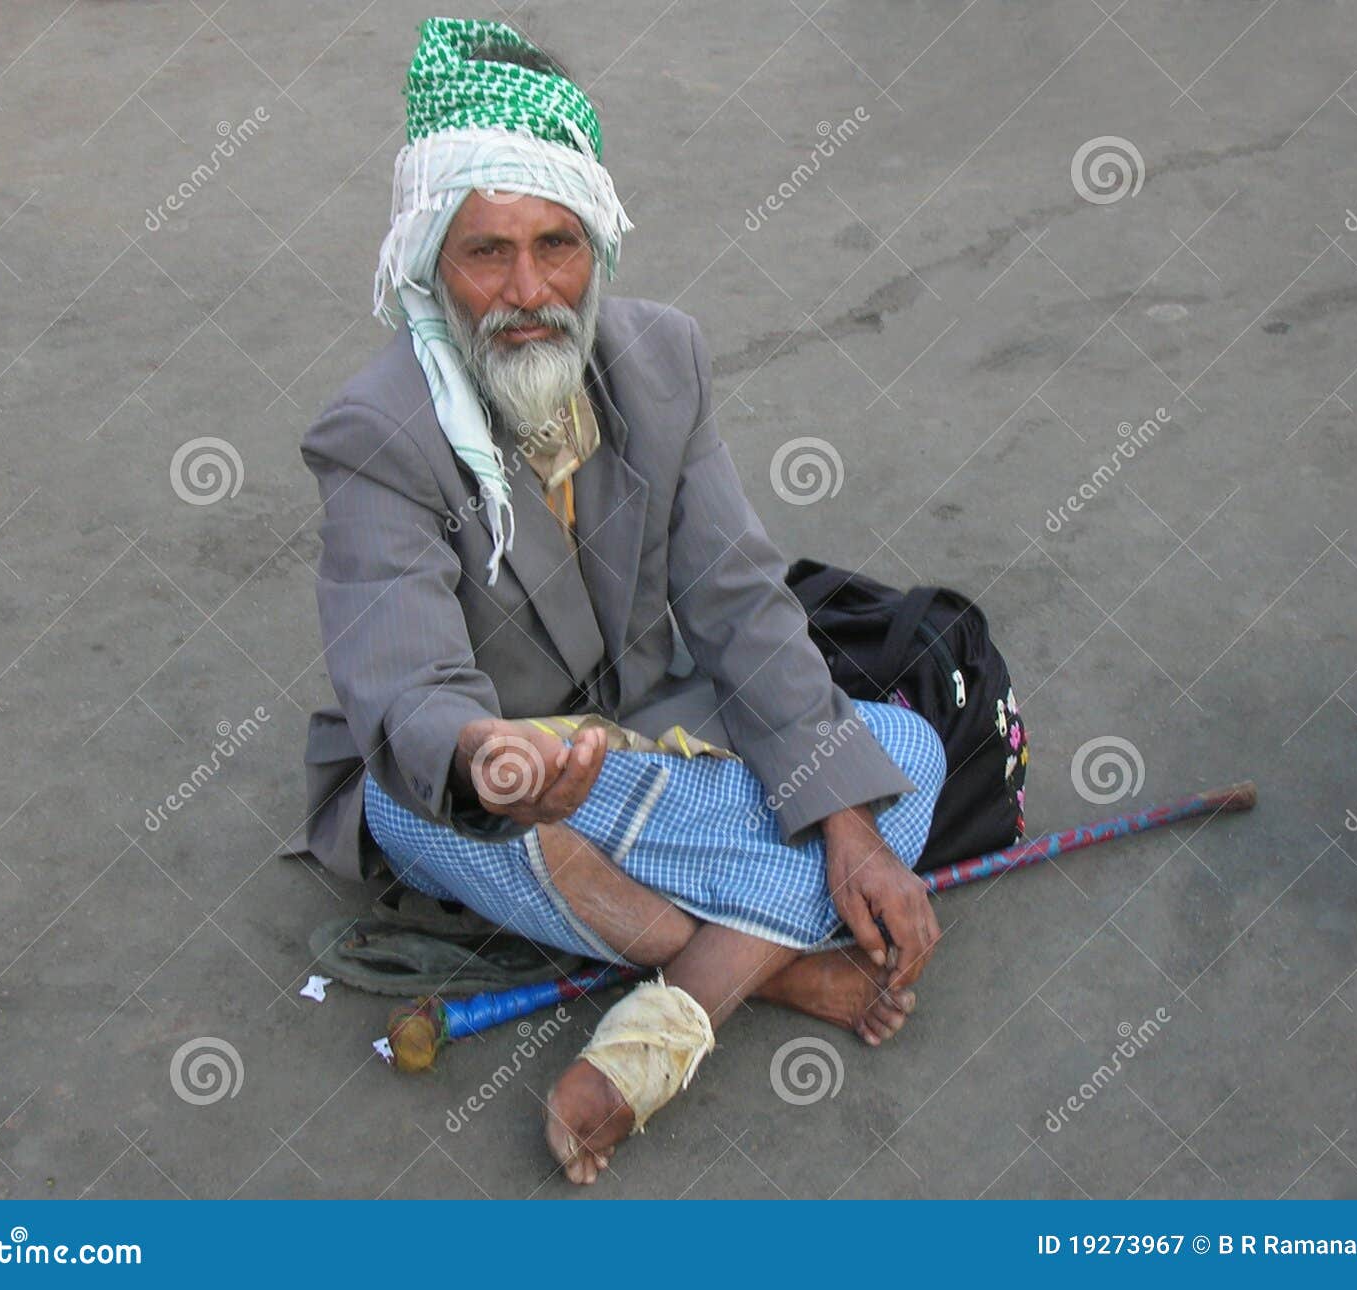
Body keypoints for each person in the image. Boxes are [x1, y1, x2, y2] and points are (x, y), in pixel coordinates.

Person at [297, 16, 948, 1185]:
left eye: (559, 244)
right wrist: (489, 759)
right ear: (425, 262)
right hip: (483, 780)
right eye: (485, 252)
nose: (529, 291)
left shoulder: (663, 359)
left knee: (901, 749)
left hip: (652, 742)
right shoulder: (377, 433)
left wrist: (847, 826)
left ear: (598, 241)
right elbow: (403, 682)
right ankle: (779, 965)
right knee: (412, 812)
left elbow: (740, 602)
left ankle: (678, 1001)